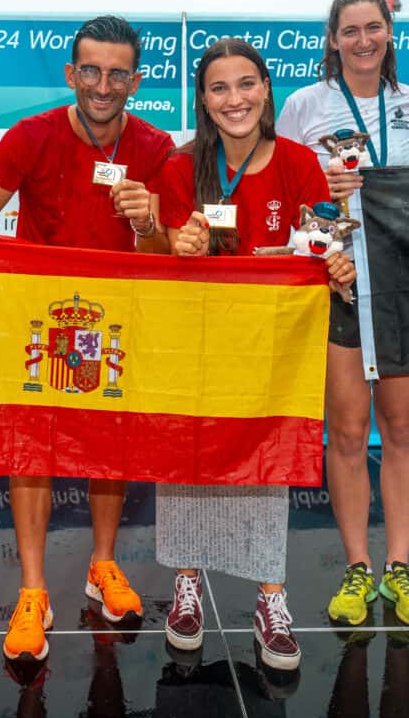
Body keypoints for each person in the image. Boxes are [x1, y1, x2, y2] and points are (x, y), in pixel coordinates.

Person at [0, 15, 173, 664]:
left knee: (108, 447)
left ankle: (102, 564)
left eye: (118, 73)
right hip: (40, 321)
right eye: (91, 70)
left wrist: (149, 223)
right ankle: (33, 591)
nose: (102, 85)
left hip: (117, 322)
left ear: (136, 82)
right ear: (71, 75)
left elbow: (172, 248)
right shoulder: (31, 136)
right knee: (31, 449)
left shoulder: (155, 145)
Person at [127, 37, 355, 671]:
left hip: (273, 342)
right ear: (202, 98)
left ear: (266, 90)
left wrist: (334, 262)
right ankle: (187, 582)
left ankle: (270, 595)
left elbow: (319, 243)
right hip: (196, 335)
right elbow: (157, 256)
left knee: (265, 460)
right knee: (188, 455)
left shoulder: (301, 164)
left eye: (246, 84)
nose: (235, 99)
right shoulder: (178, 169)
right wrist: (181, 244)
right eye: (220, 87)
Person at [276, 0, 409, 629]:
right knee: (345, 434)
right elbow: (283, 191)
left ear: (389, 33)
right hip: (334, 281)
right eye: (350, 30)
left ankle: (398, 566)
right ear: (333, 40)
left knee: (400, 431)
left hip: (401, 281)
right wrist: (321, 188)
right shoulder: (304, 104)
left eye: (374, 27)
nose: (363, 40)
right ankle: (355, 567)